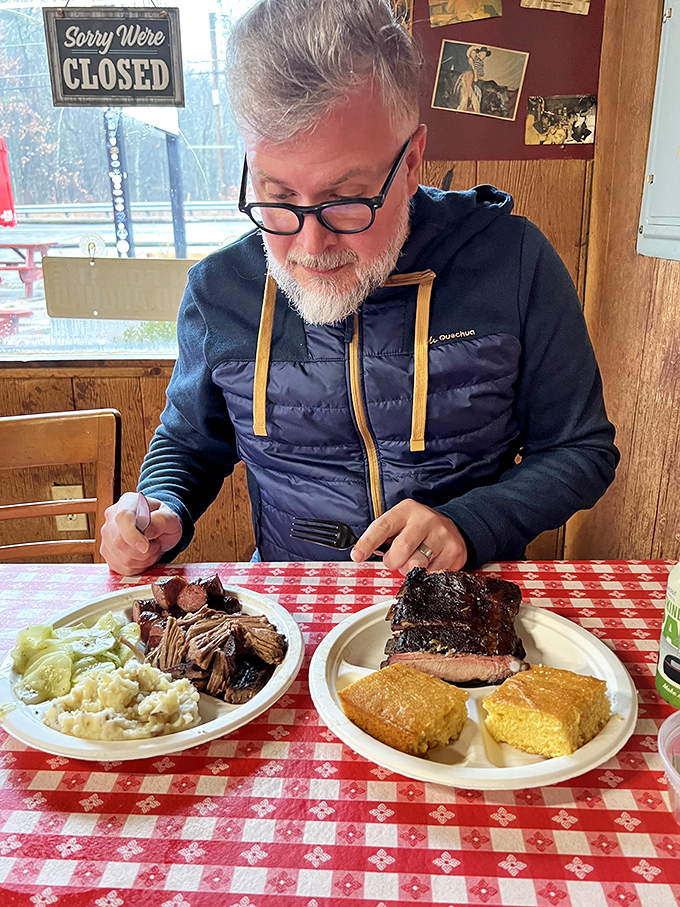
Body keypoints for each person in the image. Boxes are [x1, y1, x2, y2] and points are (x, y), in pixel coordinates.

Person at [100, 0, 619, 578]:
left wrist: (472, 522)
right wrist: (160, 508)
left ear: (413, 160)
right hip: (295, 609)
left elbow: (581, 449)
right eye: (276, 196)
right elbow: (189, 445)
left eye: (346, 201)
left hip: (463, 598)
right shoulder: (220, 291)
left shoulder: (512, 261)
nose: (309, 246)